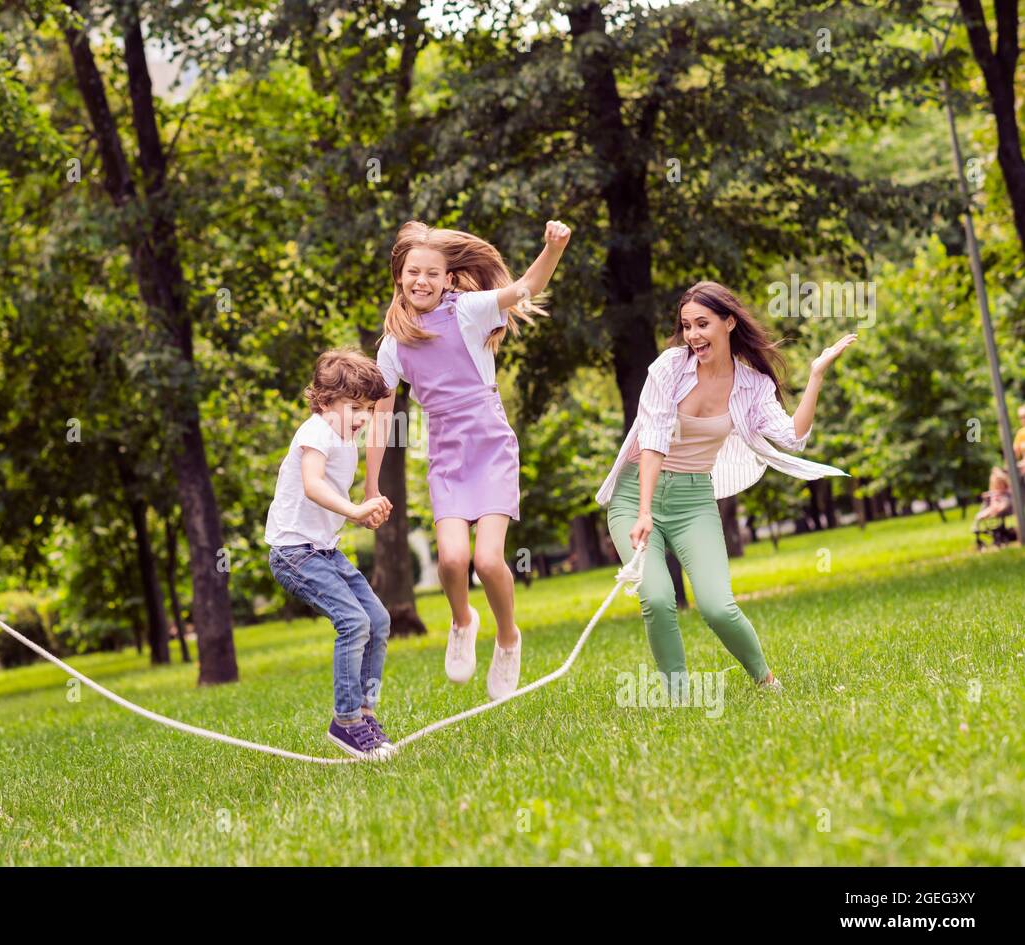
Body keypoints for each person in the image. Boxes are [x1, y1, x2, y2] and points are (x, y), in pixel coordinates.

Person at [595, 280, 856, 693]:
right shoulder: (669, 368)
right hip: (635, 496)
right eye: (686, 326)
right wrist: (644, 512)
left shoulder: (753, 386)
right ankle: (678, 695)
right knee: (659, 599)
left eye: (703, 324)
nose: (693, 335)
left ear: (729, 323)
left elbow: (792, 437)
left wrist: (816, 375)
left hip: (693, 501)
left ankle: (766, 680)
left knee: (718, 606)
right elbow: (653, 439)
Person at [367, 219, 571, 700]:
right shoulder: (392, 345)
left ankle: (507, 636)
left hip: (491, 444)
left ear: (449, 279)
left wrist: (552, 247)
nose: (422, 281)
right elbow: (380, 420)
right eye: (413, 272)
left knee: (488, 558)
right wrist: (372, 485)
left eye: (432, 274)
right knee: (454, 559)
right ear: (400, 276)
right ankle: (462, 621)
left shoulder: (468, 312)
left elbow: (526, 287)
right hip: (447, 454)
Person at [265, 349, 396, 758]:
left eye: (369, 409)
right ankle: (346, 722)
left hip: (324, 550)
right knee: (354, 622)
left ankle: (364, 713)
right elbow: (313, 485)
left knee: (378, 619)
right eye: (354, 407)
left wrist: (362, 513)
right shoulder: (316, 431)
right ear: (324, 402)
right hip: (294, 553)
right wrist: (355, 509)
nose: (362, 417)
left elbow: (332, 500)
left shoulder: (346, 439)